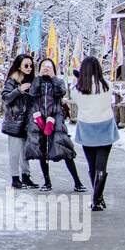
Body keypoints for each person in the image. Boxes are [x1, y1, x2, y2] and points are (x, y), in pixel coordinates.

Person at [24, 58, 86, 192]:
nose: (46, 68)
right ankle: (47, 181)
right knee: (42, 151)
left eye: (49, 66)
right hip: (39, 119)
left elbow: (61, 92)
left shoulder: (58, 81)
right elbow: (32, 94)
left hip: (55, 119)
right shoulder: (36, 81)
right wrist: (39, 76)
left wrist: (53, 77)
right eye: (43, 66)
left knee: (64, 148)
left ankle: (77, 182)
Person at [72, 55, 120, 211]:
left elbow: (77, 98)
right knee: (101, 165)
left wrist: (79, 79)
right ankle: (97, 200)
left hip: (86, 128)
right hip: (105, 127)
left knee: (92, 166)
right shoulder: (107, 86)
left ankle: (97, 198)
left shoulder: (77, 90)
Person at [1, 53, 37, 189]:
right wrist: (19, 90)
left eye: (31, 65)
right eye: (26, 65)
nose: (29, 68)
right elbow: (5, 97)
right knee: (15, 152)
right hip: (15, 121)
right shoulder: (12, 80)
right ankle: (15, 178)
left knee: (26, 151)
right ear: (19, 66)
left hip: (28, 121)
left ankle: (26, 176)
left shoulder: (33, 80)